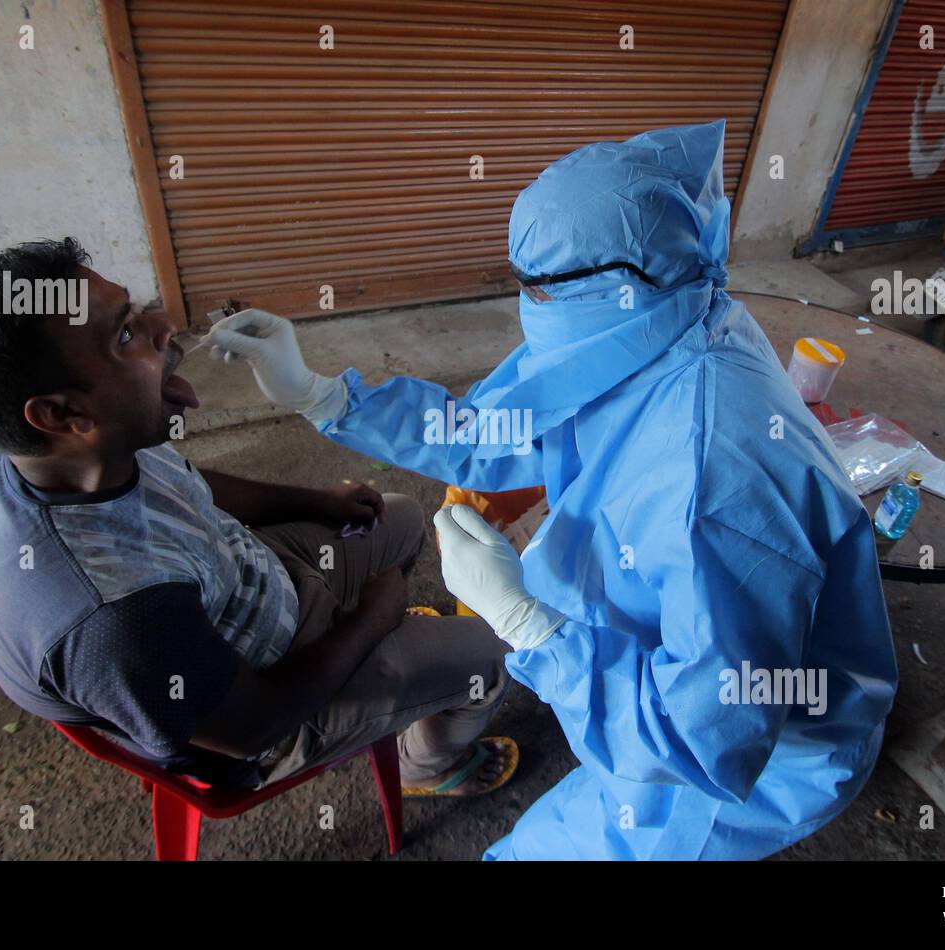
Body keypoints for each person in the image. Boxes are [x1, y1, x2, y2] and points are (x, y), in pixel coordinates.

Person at [207, 120, 899, 859]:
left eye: (538, 284)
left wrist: (532, 625)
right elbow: (495, 429)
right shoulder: (658, 321)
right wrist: (323, 397)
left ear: (626, 281)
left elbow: (702, 739)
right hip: (658, 670)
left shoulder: (714, 480)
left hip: (744, 770)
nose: (527, 302)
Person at [0, 238, 517, 799]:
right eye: (126, 336)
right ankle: (428, 765)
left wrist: (316, 503)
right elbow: (252, 726)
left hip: (246, 586)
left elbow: (189, 486)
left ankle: (388, 649)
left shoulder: (70, 448)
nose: (163, 327)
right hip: (269, 706)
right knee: (495, 650)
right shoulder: (111, 615)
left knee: (402, 517)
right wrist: (369, 622)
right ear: (63, 412)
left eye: (135, 311)